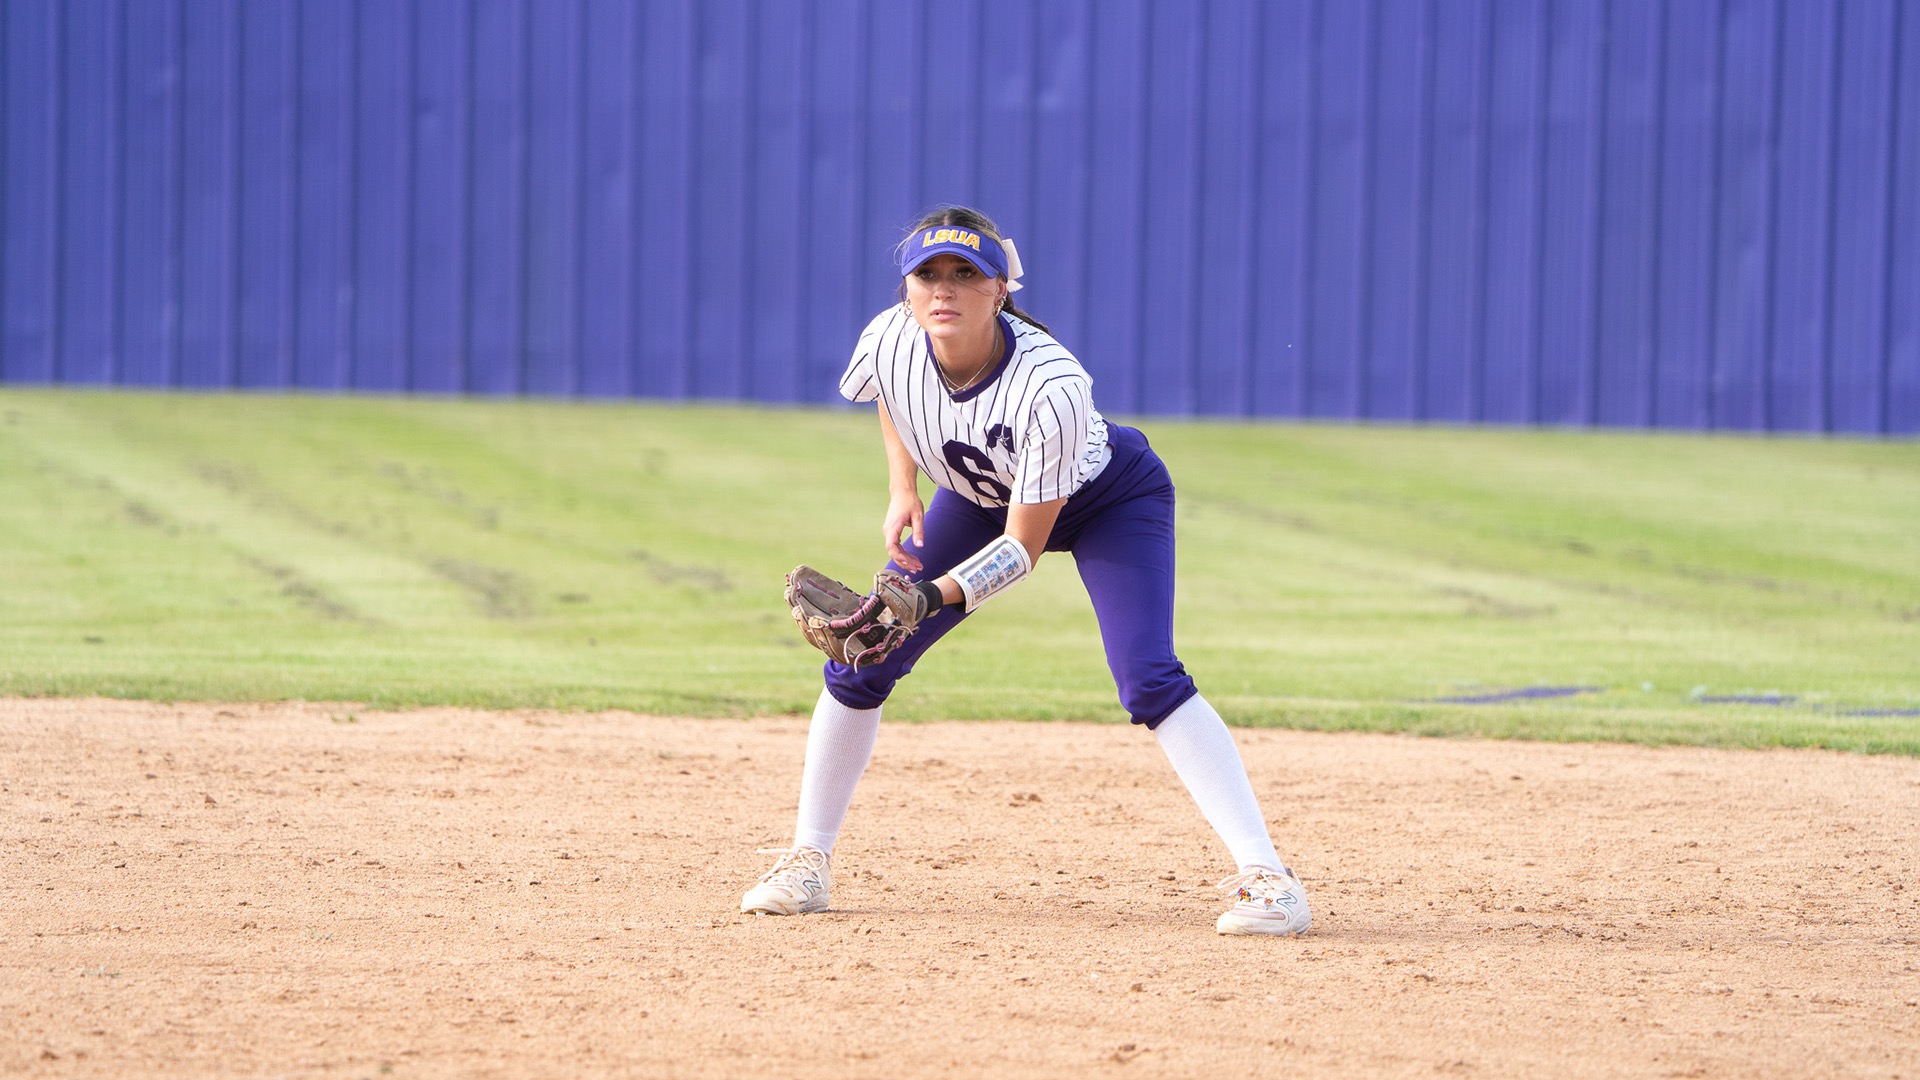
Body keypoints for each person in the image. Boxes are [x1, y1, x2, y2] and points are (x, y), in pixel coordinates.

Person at [741, 205, 1311, 936]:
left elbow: (1022, 550)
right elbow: (891, 397)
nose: (943, 289)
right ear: (907, 290)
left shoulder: (1052, 385)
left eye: (965, 274)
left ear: (1000, 288)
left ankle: (1270, 879)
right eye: (928, 274)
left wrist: (930, 595)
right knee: (862, 659)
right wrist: (903, 487)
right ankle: (806, 861)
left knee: (1148, 677)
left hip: (1106, 501)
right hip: (977, 498)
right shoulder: (890, 338)